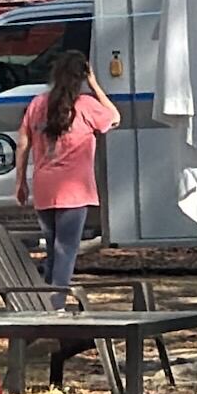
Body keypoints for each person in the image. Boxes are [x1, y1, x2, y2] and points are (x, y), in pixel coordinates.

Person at [14, 51, 120, 293]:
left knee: (53, 247)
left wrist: (20, 181)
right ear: (81, 76)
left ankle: (48, 297)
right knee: (66, 249)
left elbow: (23, 142)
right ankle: (57, 301)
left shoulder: (38, 104)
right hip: (75, 190)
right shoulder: (85, 105)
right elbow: (114, 117)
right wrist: (94, 84)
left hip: (44, 187)